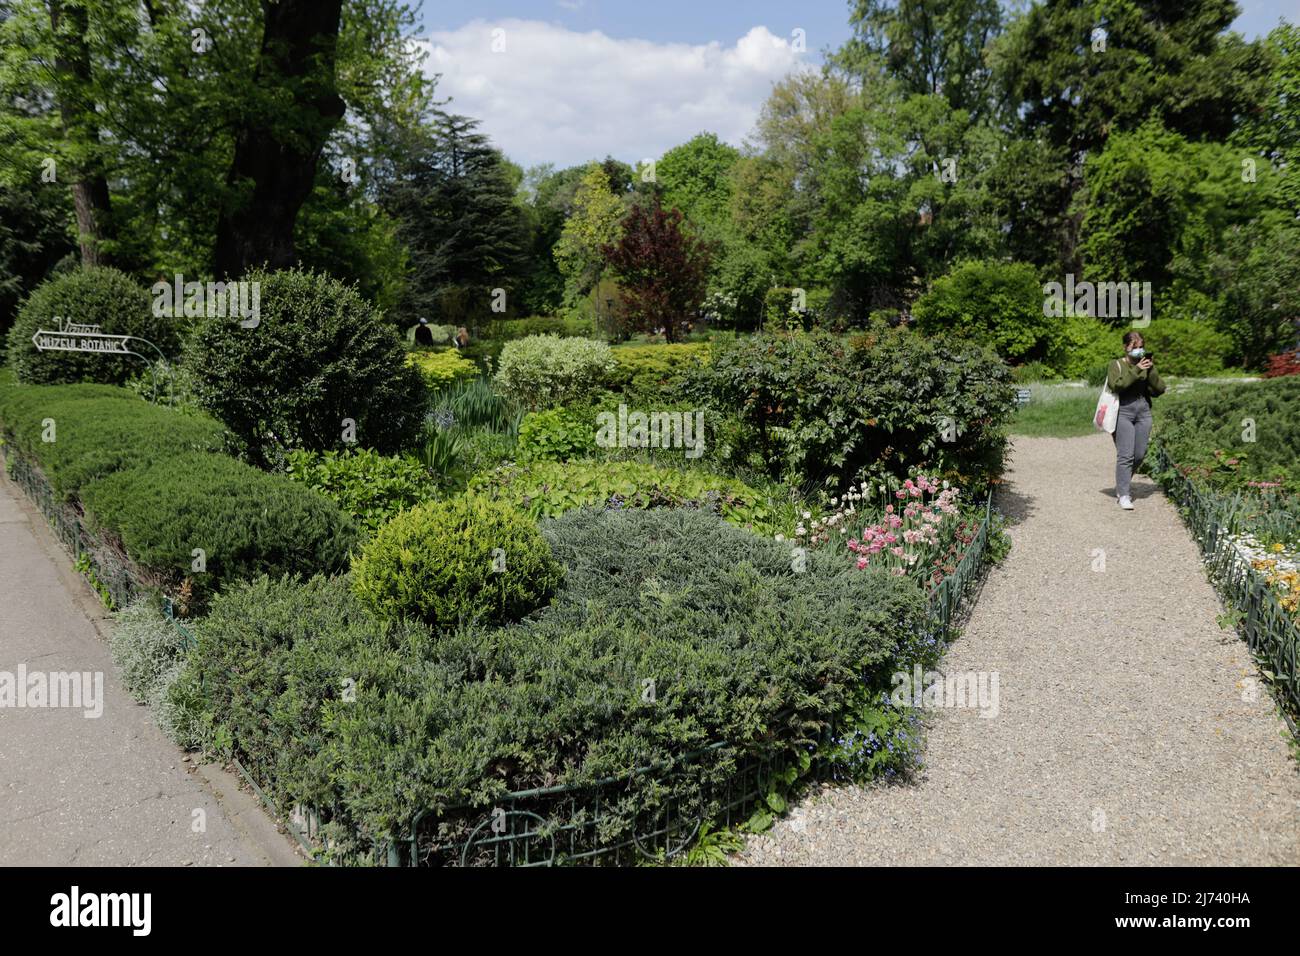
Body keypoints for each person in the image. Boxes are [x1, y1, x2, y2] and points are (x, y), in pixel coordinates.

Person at [1107, 330, 1166, 510]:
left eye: (1141, 347)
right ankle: (1124, 494)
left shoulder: (1146, 366)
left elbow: (1160, 389)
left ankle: (1122, 482)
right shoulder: (1116, 365)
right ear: (1126, 347)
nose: (1139, 351)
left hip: (1143, 412)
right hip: (1123, 412)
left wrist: (1151, 369)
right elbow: (1118, 385)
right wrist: (1137, 369)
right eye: (1135, 347)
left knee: (1139, 454)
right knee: (1126, 455)